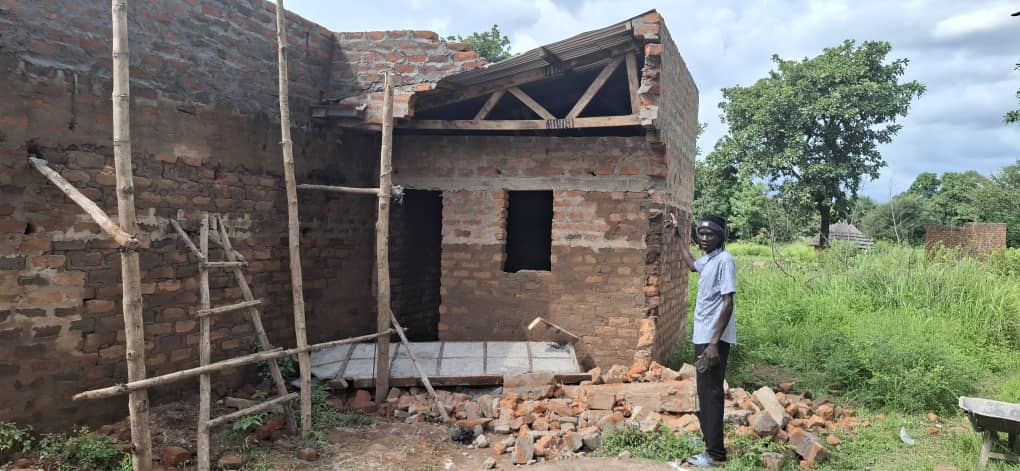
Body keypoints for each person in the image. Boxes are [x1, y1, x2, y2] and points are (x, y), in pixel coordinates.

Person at [666, 212, 736, 467]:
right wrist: (676, 237)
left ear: (721, 237)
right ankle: (709, 440)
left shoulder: (725, 260)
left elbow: (728, 302)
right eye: (701, 233)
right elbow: (691, 264)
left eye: (710, 234)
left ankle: (715, 455)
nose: (704, 238)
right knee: (704, 391)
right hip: (705, 335)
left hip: (712, 339)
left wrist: (714, 343)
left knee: (711, 393)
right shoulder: (709, 260)